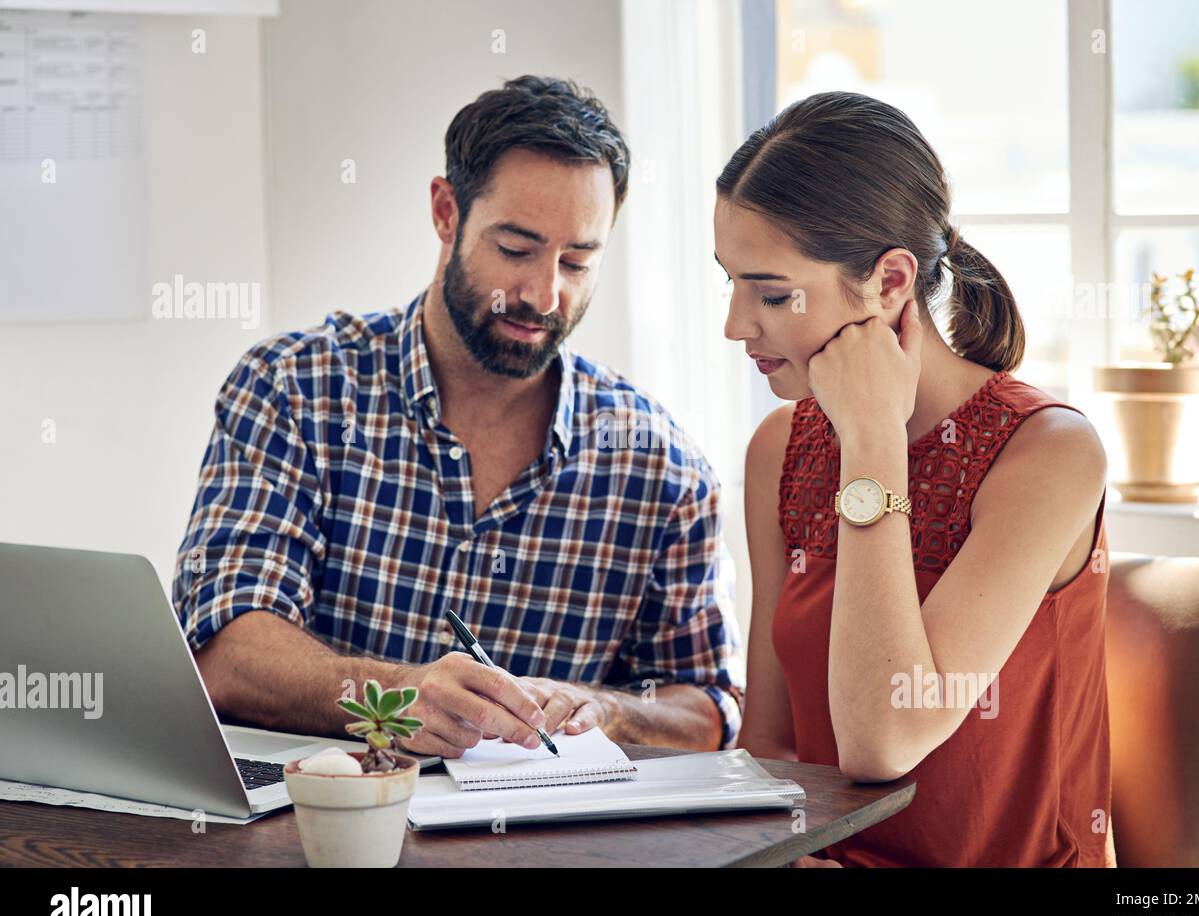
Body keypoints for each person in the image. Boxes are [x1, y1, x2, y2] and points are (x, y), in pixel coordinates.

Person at [172, 75, 743, 758]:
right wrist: (396, 697)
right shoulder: (297, 391)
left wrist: (605, 708)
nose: (543, 292)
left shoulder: (659, 466)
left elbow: (709, 708)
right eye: (516, 249)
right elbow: (225, 653)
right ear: (446, 212)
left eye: (578, 261)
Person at [717, 91, 1113, 866]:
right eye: (729, 282)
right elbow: (769, 742)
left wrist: (870, 442)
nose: (737, 323)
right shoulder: (778, 448)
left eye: (771, 293)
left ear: (892, 281)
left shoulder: (1050, 454)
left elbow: (883, 738)